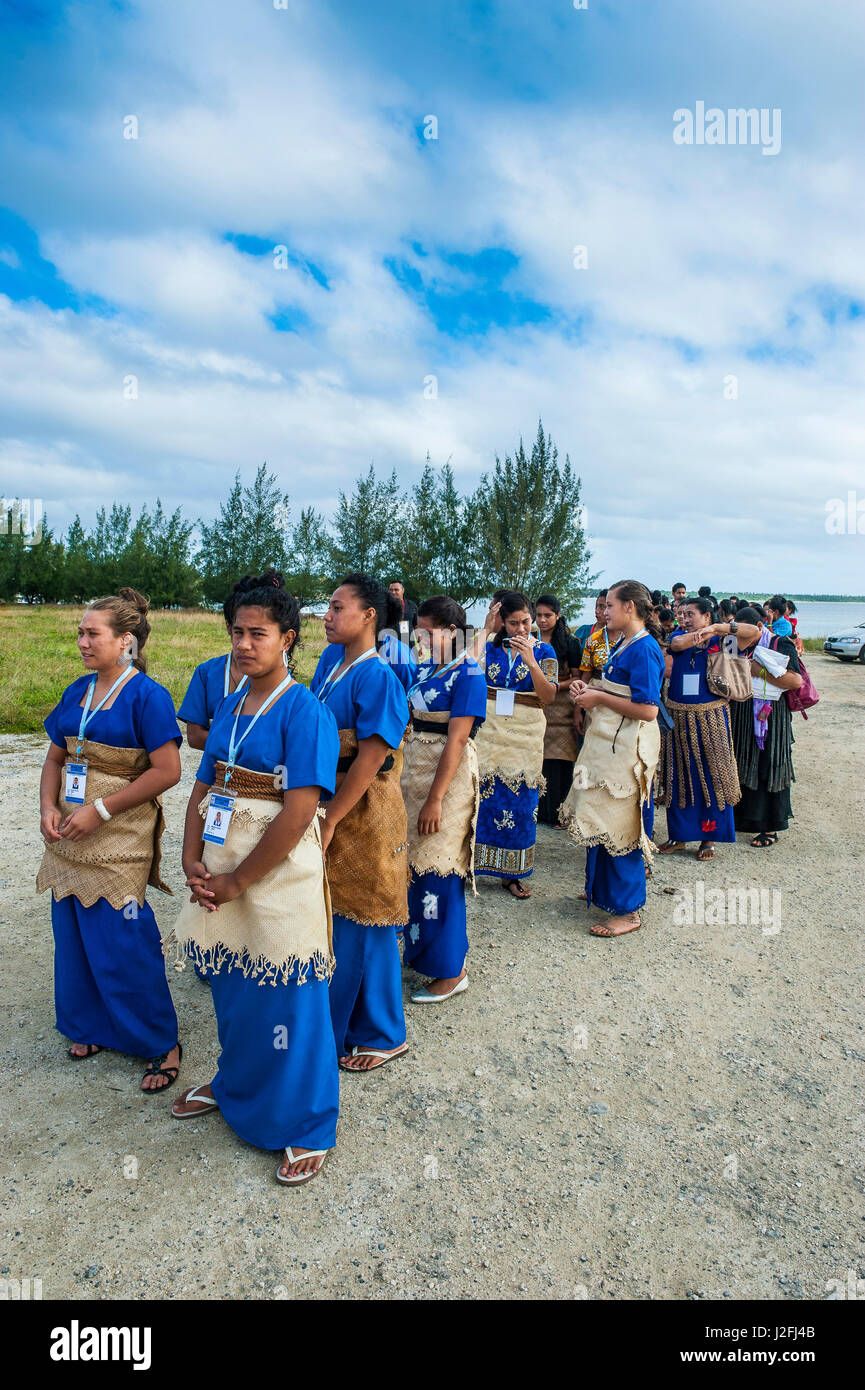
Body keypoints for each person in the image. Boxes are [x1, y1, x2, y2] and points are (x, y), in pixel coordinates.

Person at [167, 582, 340, 1185]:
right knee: (235, 983)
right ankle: (237, 1085)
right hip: (223, 863)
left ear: (287, 639)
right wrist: (192, 855)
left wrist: (241, 879)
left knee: (290, 994)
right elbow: (203, 785)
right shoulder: (231, 706)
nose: (243, 644)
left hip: (277, 872)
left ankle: (306, 1123)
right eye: (236, 632)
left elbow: (298, 811)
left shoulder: (305, 710)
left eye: (257, 633)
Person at [37, 590, 184, 1092]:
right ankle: (90, 1026)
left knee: (124, 938)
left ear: (125, 641)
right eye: (79, 631)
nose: (81, 641)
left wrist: (100, 810)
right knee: (75, 931)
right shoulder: (78, 690)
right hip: (70, 836)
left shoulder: (148, 696)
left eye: (91, 633)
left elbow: (168, 771)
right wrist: (48, 807)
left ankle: (160, 1041)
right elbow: (55, 758)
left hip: (117, 834)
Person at [311, 574, 411, 1072]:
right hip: (328, 801)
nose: (327, 616)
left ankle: (383, 1032)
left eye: (337, 607)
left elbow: (371, 760)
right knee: (336, 914)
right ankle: (347, 1026)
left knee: (366, 915)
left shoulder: (379, 677)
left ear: (369, 615)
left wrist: (330, 819)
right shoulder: (331, 665)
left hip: (364, 809)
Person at [562, 581, 664, 938]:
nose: (604, 612)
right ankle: (603, 892)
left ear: (630, 608)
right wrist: (588, 691)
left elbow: (648, 709)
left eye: (610, 606)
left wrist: (599, 699)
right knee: (602, 816)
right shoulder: (622, 643)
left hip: (627, 748)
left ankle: (630, 910)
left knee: (622, 821)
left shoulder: (644, 649)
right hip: (609, 744)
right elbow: (612, 691)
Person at [400, 597, 487, 1001]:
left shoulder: (469, 672)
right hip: (414, 771)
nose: (420, 636)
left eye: (427, 630)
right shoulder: (424, 666)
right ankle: (420, 951)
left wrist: (436, 799)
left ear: (452, 632)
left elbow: (457, 738)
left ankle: (452, 970)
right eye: (417, 629)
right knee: (413, 864)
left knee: (440, 867)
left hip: (446, 781)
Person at [656, 598, 761, 861]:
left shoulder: (723, 641)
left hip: (711, 717)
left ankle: (708, 838)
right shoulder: (679, 636)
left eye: (690, 614)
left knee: (712, 776)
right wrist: (699, 634)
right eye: (682, 613)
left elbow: (755, 633)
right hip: (679, 716)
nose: (684, 618)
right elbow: (677, 645)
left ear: (706, 616)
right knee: (679, 776)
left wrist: (720, 628)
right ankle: (678, 836)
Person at [473, 591, 558, 898]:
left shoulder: (545, 650)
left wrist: (530, 662)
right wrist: (485, 628)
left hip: (525, 735)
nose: (521, 629)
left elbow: (548, 696)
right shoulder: (490, 648)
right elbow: (467, 666)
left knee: (520, 801)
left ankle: (513, 873)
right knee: (483, 797)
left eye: (525, 621)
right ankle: (474, 865)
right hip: (490, 732)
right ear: (502, 622)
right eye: (513, 623)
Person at [728, 605, 803, 848]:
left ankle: (771, 825)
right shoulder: (734, 643)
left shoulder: (780, 643)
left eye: (744, 632)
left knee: (770, 766)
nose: (739, 638)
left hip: (771, 715)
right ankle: (746, 819)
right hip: (742, 712)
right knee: (744, 761)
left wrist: (757, 670)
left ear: (760, 626)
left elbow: (794, 680)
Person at [176, 574, 271, 751]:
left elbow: (274, 741)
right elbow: (195, 737)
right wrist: (248, 743)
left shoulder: (275, 678)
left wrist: (216, 735)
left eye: (256, 631)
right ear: (229, 627)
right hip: (215, 772)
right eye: (239, 629)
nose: (245, 642)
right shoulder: (206, 672)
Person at [535, 594, 583, 825]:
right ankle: (538, 811)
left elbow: (576, 678)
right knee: (539, 758)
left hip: (562, 707)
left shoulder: (571, 642)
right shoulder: (530, 640)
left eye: (548, 615)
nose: (542, 620)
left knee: (561, 761)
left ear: (558, 615)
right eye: (538, 615)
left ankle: (559, 813)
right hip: (537, 706)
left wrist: (551, 686)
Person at [577, 590, 611, 682]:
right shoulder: (584, 632)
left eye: (602, 607)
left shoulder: (625, 637)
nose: (597, 611)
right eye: (596, 606)